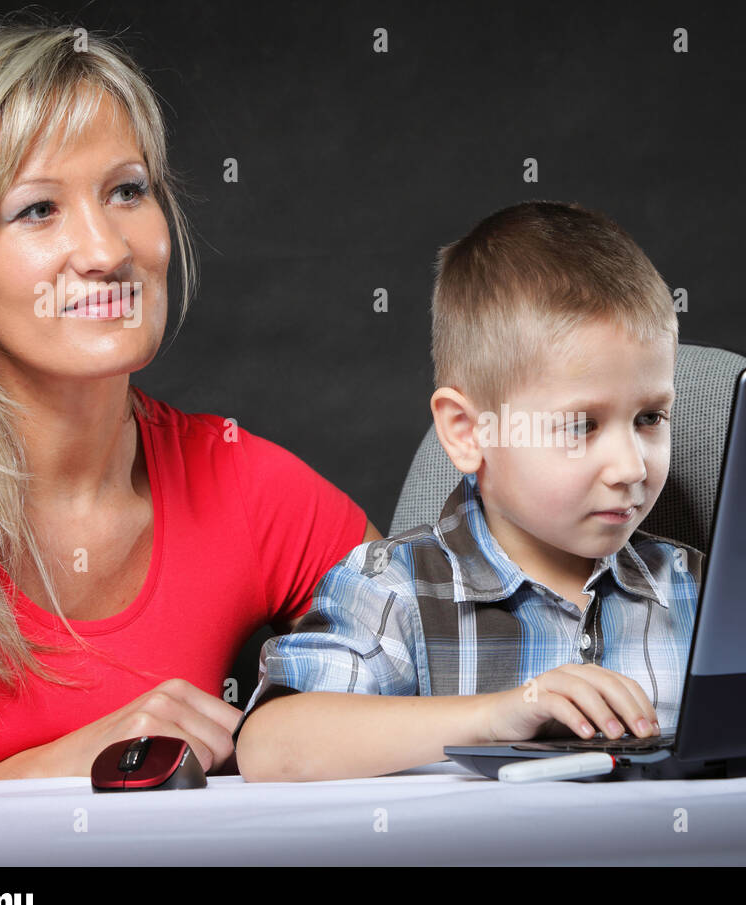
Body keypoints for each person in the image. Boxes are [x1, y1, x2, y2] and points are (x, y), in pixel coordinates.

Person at [0, 19, 381, 786]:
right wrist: (60, 771)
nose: (109, 250)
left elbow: (446, 649)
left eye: (127, 190)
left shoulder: (238, 482)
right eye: (38, 209)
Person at [235, 200, 703, 781]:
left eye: (650, 418)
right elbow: (270, 746)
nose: (631, 466)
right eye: (582, 425)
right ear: (467, 432)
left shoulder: (701, 590)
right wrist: (496, 716)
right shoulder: (394, 589)